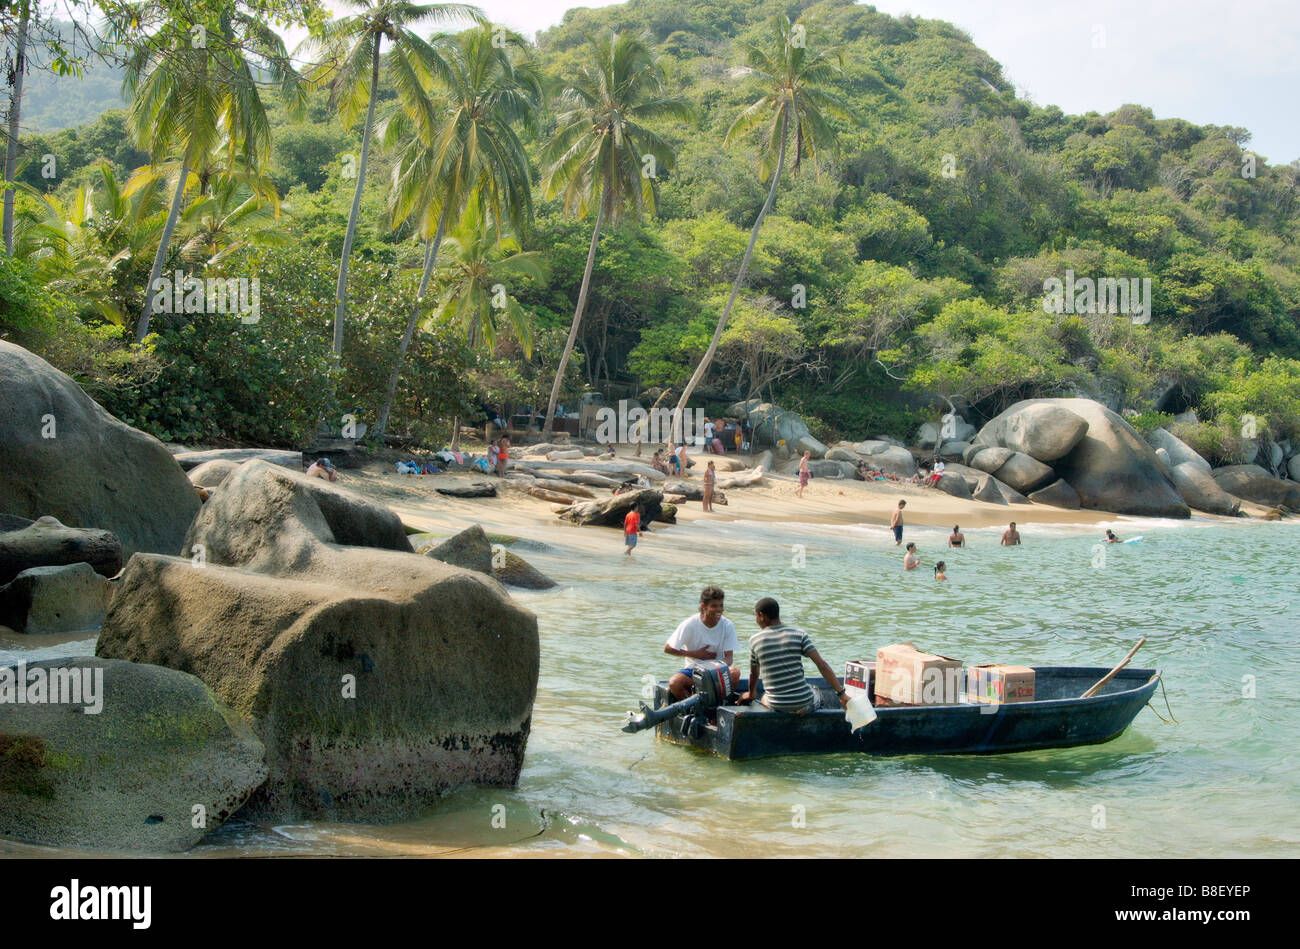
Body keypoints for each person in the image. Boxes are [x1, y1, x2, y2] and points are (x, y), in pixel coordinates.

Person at [738, 597, 851, 714]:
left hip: (777, 705)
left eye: (755, 616)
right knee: (816, 690)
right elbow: (822, 665)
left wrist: (751, 694)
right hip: (804, 703)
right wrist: (841, 694)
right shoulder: (798, 634)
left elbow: (754, 673)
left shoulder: (755, 640)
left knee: (764, 697)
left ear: (762, 616)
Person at [664, 586, 741, 701]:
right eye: (714, 606)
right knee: (674, 683)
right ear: (703, 607)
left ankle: (721, 707)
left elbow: (729, 658)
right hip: (694, 671)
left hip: (717, 673)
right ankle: (692, 709)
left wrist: (711, 669)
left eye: (721, 605)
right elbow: (668, 648)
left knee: (735, 672)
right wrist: (696, 654)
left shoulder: (727, 625)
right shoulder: (690, 624)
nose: (719, 610)